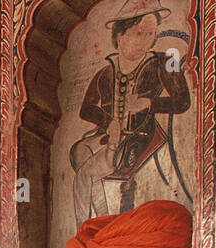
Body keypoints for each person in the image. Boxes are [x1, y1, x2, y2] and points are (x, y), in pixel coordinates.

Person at [70, 0, 191, 222]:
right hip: (110, 136)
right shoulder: (106, 73)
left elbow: (182, 102)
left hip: (140, 137)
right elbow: (86, 110)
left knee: (85, 175)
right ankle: (104, 221)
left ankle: (85, 232)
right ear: (120, 36)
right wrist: (109, 122)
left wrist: (150, 104)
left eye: (150, 34)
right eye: (139, 33)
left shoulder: (163, 63)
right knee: (79, 153)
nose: (145, 40)